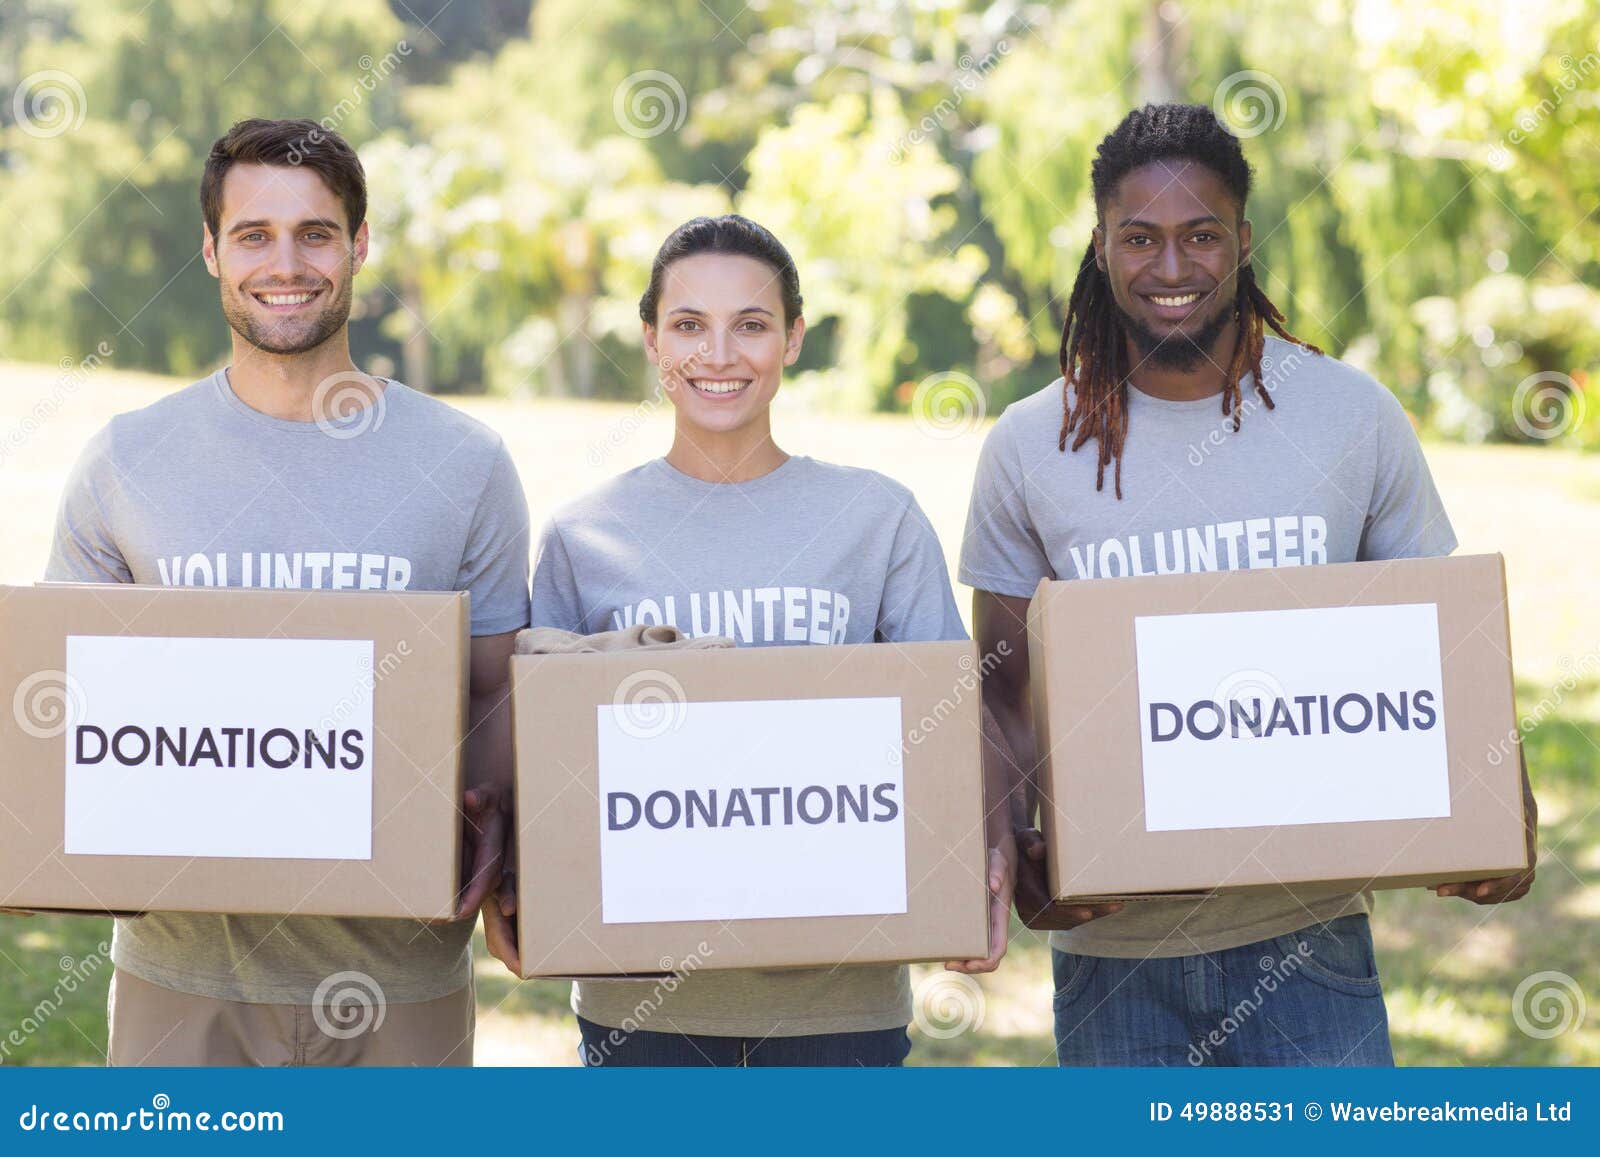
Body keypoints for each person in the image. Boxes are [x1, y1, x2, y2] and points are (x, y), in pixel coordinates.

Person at [960, 103, 1537, 1067]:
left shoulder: (1350, 415)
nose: (1173, 268)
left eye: (1202, 235)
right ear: (1101, 245)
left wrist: (1502, 805)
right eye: (1140, 237)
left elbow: (1450, 644)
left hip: (1309, 940)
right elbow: (1002, 692)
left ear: (1244, 240)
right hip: (1114, 953)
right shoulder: (1030, 444)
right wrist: (1019, 851)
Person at [45, 117, 531, 1066]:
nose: (287, 262)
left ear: (358, 245)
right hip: (181, 979)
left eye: (315, 232)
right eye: (254, 234)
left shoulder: (464, 463)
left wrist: (502, 819)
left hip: (403, 977)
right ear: (212, 249)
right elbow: (63, 703)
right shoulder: (126, 461)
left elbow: (497, 689)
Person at [481, 213, 1016, 1066]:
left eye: (752, 325)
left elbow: (952, 723)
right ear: (652, 340)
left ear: (794, 338)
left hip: (839, 1007)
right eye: (690, 325)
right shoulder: (586, 537)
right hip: (639, 1007)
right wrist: (517, 870)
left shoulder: (874, 518)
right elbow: (545, 763)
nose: (719, 354)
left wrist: (982, 856)